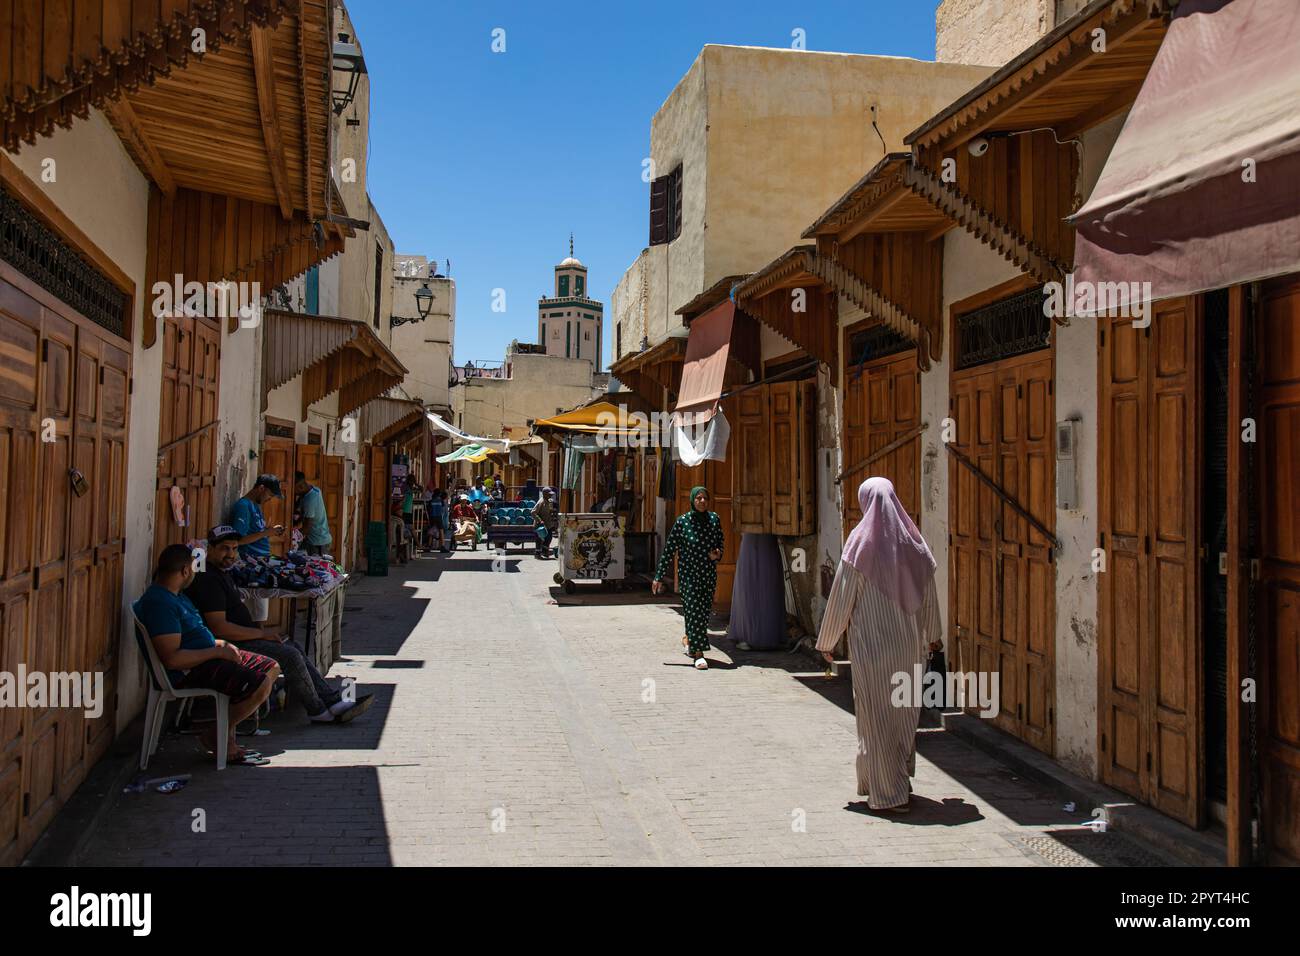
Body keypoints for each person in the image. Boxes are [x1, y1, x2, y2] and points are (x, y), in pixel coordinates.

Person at [815, 477, 943, 814]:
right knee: (902, 719)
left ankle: (888, 795)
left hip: (872, 651)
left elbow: (841, 599)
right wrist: (933, 635)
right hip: (910, 650)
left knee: (876, 720)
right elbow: (929, 598)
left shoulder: (859, 544)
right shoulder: (915, 544)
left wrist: (827, 640)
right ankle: (891, 780)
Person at [188, 526, 373, 724]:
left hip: (243, 639)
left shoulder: (222, 573)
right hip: (231, 646)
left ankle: (330, 699)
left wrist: (261, 634)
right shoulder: (208, 580)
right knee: (290, 655)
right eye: (225, 548)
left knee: (292, 646)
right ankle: (316, 709)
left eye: (234, 549)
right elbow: (220, 628)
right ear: (212, 549)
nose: (231, 554)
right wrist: (260, 634)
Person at [134, 544, 280, 765]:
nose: (194, 573)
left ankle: (222, 731)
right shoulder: (160, 603)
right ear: (184, 571)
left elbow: (196, 634)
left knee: (271, 667)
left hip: (208, 655)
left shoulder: (177, 596)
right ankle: (217, 735)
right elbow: (172, 659)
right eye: (193, 568)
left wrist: (222, 645)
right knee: (258, 684)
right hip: (189, 670)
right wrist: (216, 651)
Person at [652, 486, 724, 670]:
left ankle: (689, 640)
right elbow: (669, 550)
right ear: (692, 500)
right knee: (694, 612)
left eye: (704, 498)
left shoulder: (714, 519)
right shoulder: (683, 522)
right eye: (698, 498)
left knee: (703, 613)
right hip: (688, 576)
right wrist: (659, 576)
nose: (702, 501)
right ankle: (699, 654)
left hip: (708, 575)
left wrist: (717, 554)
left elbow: (720, 543)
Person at [228, 474, 284, 623]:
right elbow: (237, 540)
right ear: (261, 488)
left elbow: (256, 533)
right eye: (270, 495)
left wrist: (268, 531)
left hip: (261, 564)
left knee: (260, 614)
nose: (269, 499)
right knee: (255, 613)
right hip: (249, 564)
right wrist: (267, 532)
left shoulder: (256, 506)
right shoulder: (243, 506)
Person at [294, 471, 332, 556]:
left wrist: (292, 536)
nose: (293, 492)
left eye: (294, 489)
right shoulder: (315, 489)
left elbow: (306, 528)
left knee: (317, 567)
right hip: (319, 539)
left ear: (300, 487)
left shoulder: (310, 501)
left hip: (318, 543)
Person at [531, 486, 559, 559]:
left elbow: (551, 510)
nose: (550, 495)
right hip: (540, 525)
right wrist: (540, 520)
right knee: (540, 539)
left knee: (549, 538)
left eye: (551, 494)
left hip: (548, 524)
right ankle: (537, 554)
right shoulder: (541, 502)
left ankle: (545, 552)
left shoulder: (550, 501)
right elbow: (533, 512)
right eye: (549, 494)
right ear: (544, 494)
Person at [427, 488, 450, 552]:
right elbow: (442, 508)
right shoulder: (441, 500)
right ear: (439, 494)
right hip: (439, 517)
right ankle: (442, 546)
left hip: (432, 517)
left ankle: (429, 545)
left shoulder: (431, 501)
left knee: (432, 530)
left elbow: (429, 509)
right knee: (441, 531)